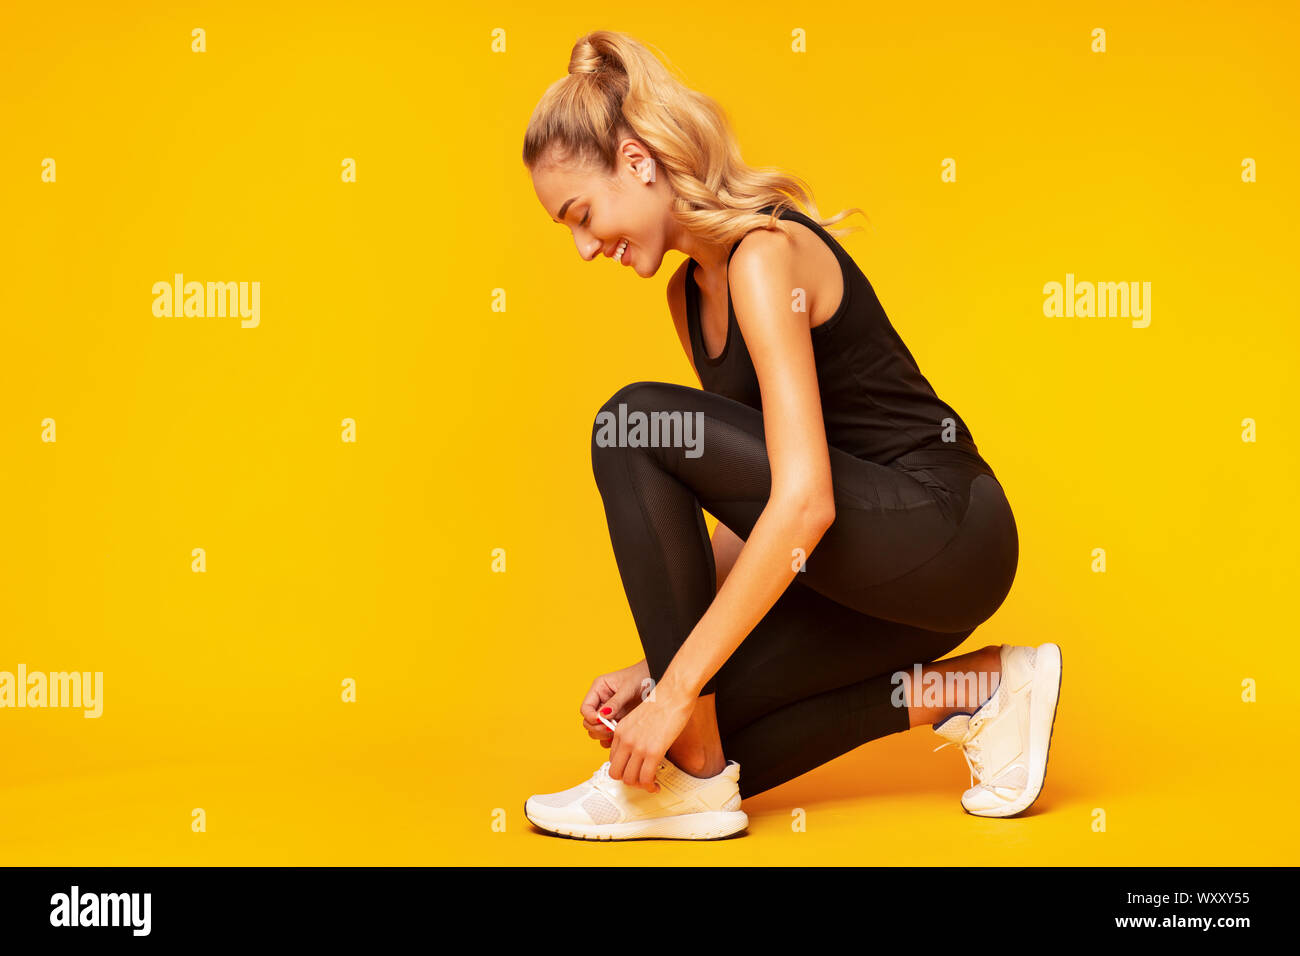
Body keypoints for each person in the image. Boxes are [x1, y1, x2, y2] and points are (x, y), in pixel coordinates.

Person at [519, 30, 1061, 841]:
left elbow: (805, 502)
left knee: (630, 426)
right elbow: (760, 501)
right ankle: (984, 690)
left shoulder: (763, 257)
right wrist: (658, 671)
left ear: (636, 162)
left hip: (947, 532)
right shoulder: (687, 299)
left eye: (582, 215)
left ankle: (689, 784)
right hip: (869, 574)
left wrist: (675, 688)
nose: (585, 246)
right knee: (713, 740)